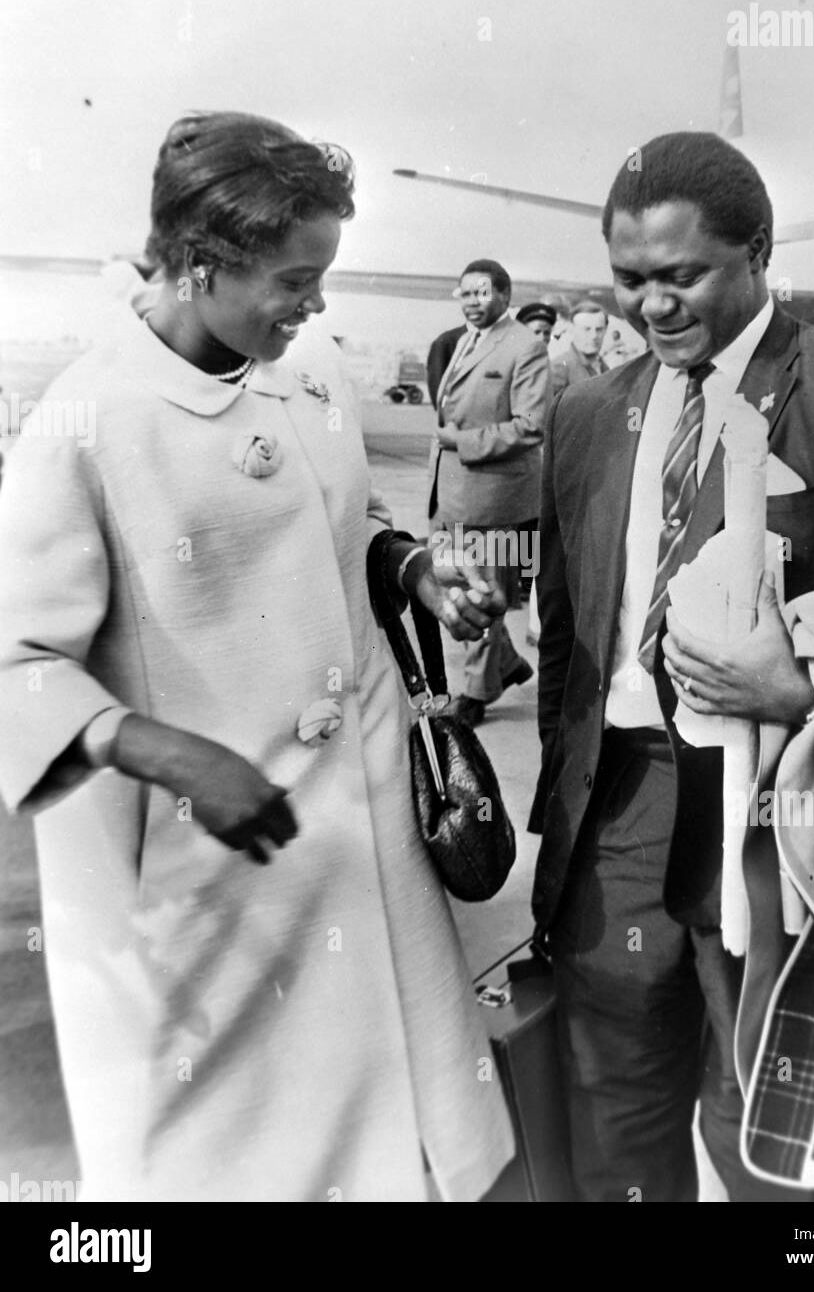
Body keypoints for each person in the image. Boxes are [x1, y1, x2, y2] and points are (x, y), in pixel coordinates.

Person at [0, 112, 516, 1202]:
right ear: (196, 267)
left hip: (364, 831)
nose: (316, 304)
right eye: (295, 279)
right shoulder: (84, 425)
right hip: (213, 886)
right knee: (243, 1159)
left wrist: (414, 569)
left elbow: (349, 521)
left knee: (400, 1145)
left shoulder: (308, 367)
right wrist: (171, 755)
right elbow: (19, 665)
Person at [528, 130, 814, 1202]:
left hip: (777, 822)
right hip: (614, 825)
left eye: (681, 276)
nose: (650, 305)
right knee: (617, 1120)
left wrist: (802, 690)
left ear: (757, 252)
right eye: (627, 280)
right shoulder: (586, 412)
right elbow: (565, 635)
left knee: (767, 1135)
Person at [428, 258, 550, 727]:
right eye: (465, 294)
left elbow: (531, 424)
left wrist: (460, 442)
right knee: (455, 581)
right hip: (451, 489)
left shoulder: (524, 346)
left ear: (504, 295)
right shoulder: (462, 343)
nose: (473, 302)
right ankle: (509, 663)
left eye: (481, 293)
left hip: (491, 494)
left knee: (479, 589)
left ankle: (476, 695)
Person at [550, 299, 609, 398]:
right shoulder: (559, 368)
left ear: (606, 329)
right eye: (587, 329)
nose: (594, 335)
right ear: (572, 329)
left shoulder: (603, 367)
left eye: (599, 329)